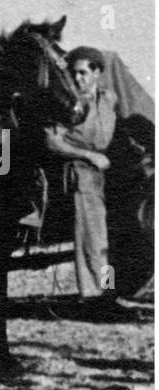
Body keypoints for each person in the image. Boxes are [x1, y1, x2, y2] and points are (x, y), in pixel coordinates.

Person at [44, 46, 129, 315]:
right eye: (73, 73)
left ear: (97, 73)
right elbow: (51, 142)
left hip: (104, 171)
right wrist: (88, 155)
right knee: (93, 239)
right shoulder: (65, 104)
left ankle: (108, 293)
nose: (77, 79)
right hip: (80, 172)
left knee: (107, 241)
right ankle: (95, 299)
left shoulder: (109, 98)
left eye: (82, 73)